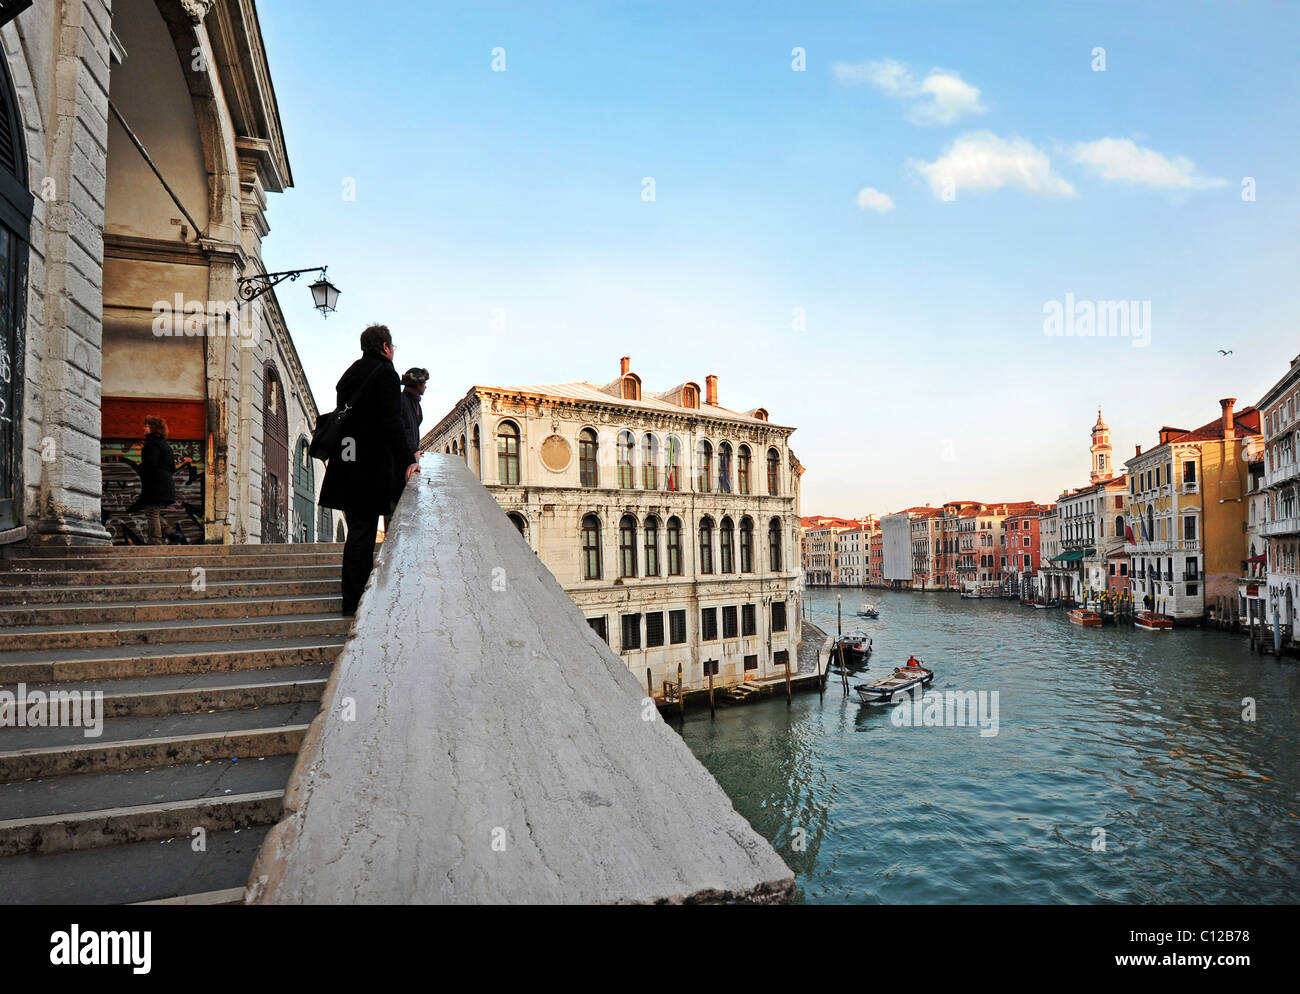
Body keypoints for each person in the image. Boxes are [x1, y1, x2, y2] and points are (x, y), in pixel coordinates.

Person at [318, 325, 421, 616]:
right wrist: (408, 458)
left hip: (345, 463)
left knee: (357, 532)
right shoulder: (386, 373)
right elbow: (392, 423)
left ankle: (352, 599)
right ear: (386, 347)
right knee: (363, 534)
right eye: (392, 348)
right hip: (367, 467)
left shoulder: (350, 373)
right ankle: (354, 604)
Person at [137, 417, 175, 545]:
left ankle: (155, 541)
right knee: (153, 510)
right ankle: (171, 532)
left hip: (155, 484)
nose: (144, 428)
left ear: (154, 428)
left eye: (146, 426)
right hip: (166, 483)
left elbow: (150, 464)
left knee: (152, 511)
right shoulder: (166, 446)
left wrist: (140, 470)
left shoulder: (151, 444)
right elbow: (173, 467)